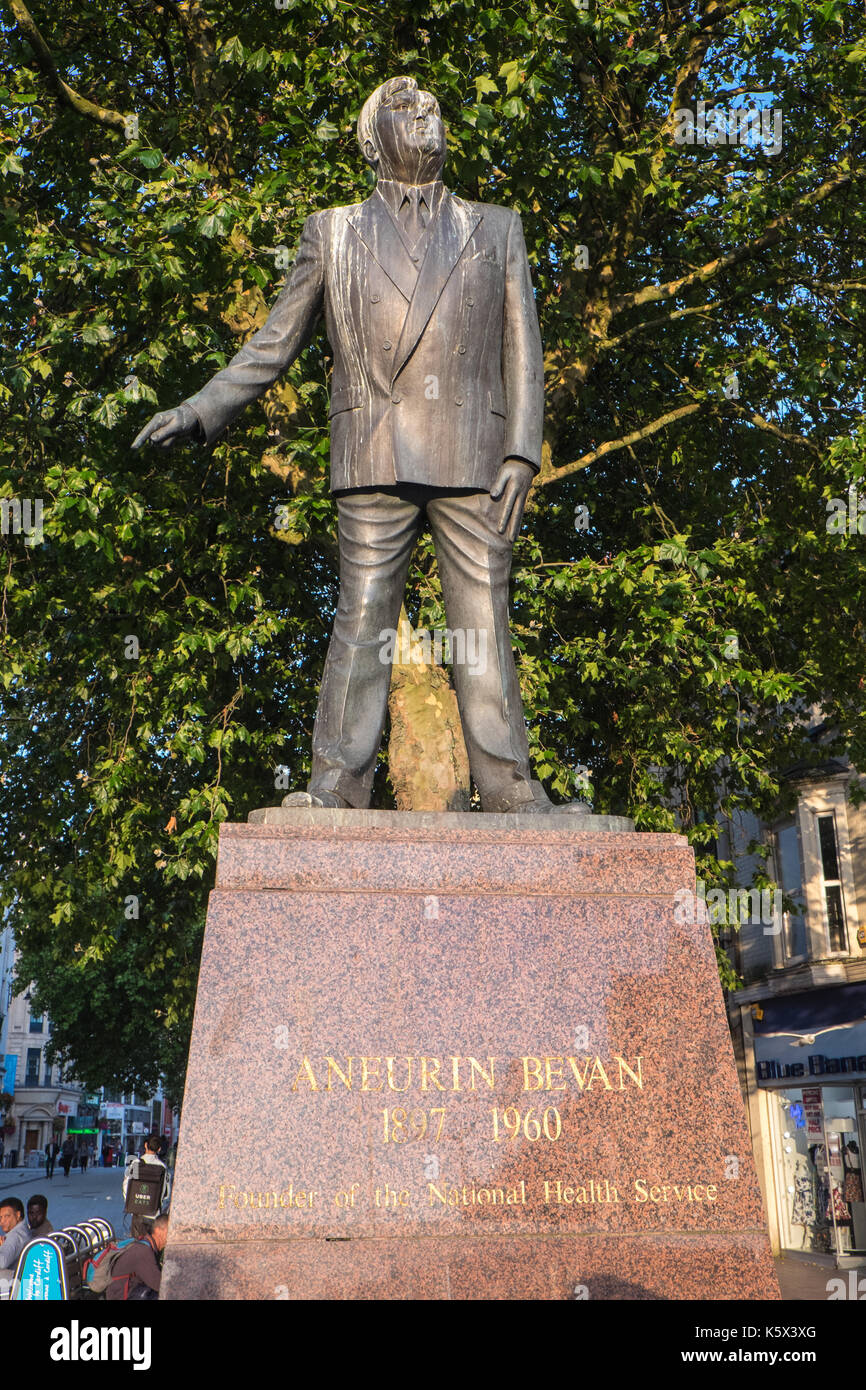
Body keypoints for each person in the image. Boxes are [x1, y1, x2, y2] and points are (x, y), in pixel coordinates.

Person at [132, 75, 587, 817]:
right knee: (365, 615)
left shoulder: (496, 227)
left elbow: (523, 349)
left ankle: (508, 786)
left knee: (482, 622)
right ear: (374, 141)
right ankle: (336, 787)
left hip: (475, 453)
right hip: (372, 451)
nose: (426, 115)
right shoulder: (332, 230)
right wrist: (198, 408)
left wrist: (522, 454)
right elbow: (274, 344)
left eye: (433, 107)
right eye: (406, 110)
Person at [105, 1213, 168, 1301]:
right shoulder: (143, 1251)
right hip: (121, 1295)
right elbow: (159, 1285)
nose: (172, 1236)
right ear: (158, 1231)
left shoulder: (146, 1244)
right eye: (169, 1231)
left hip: (128, 1290)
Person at [123, 1134, 170, 1211]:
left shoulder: (136, 1163)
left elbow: (126, 1186)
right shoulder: (162, 1167)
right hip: (153, 1211)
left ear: (145, 1145)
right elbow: (166, 1193)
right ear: (159, 1149)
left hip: (136, 1210)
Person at [0, 1197, 31, 1287]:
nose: (2, 1222)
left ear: (18, 1215)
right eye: (0, 1217)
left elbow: (2, 1262)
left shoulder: (15, 1236)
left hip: (15, 1285)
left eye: (6, 1216)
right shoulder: (24, 1230)